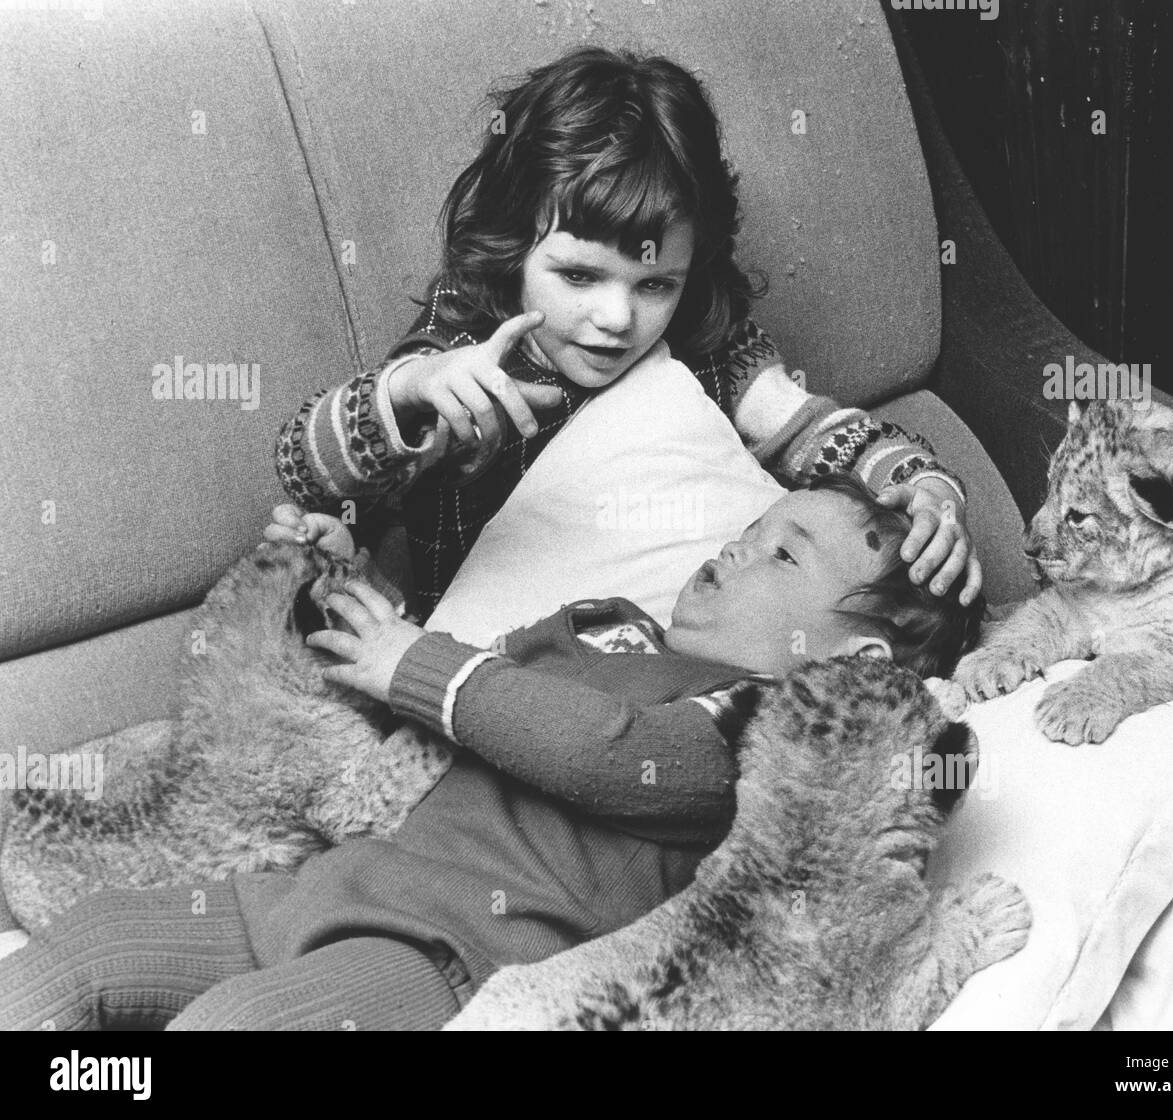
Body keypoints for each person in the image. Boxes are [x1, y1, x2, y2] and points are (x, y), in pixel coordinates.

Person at [0, 473, 982, 1031]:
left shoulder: (760, 727)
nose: (737, 546)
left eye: (784, 554)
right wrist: (359, 607)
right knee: (83, 950)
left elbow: (603, 752)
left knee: (231, 1031)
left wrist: (419, 664)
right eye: (750, 525)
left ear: (854, 661)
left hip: (444, 958)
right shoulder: (604, 626)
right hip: (326, 886)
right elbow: (458, 700)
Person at [266, 45, 984, 622]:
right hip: (473, 667)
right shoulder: (468, 348)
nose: (617, 320)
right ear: (515, 245)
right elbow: (306, 463)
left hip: (656, 671)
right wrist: (413, 389)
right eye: (579, 277)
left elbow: (816, 432)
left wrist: (924, 491)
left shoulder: (709, 345)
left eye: (655, 284)